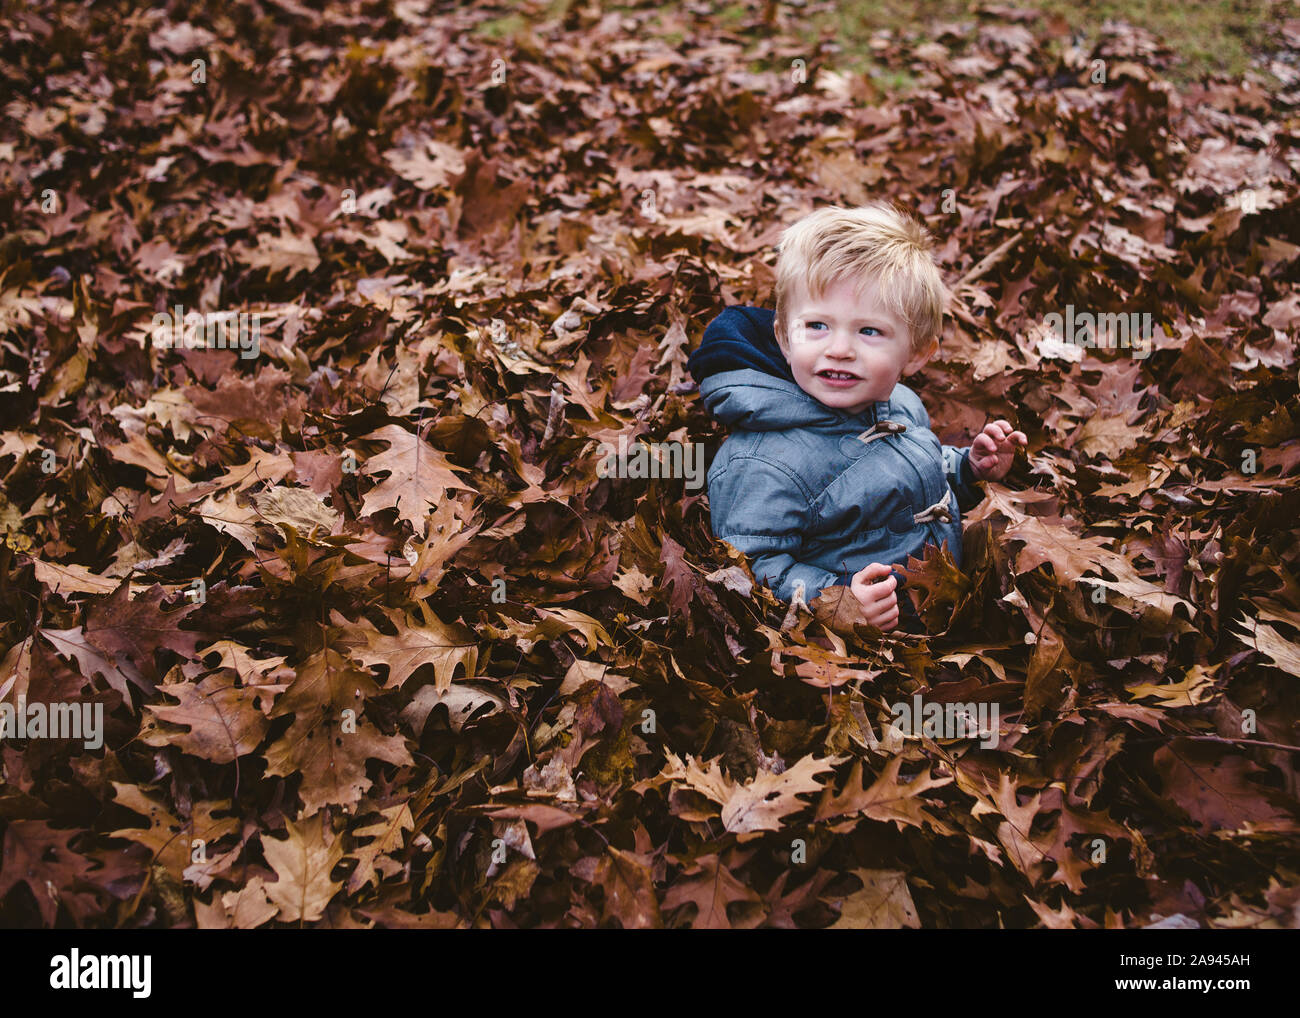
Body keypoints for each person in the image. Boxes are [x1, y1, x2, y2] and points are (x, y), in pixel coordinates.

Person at [687, 200, 1026, 632]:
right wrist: (839, 601)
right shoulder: (761, 462)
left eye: (869, 331)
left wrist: (965, 467)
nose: (840, 349)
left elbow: (907, 472)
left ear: (918, 352)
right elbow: (748, 568)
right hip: (864, 656)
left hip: (945, 602)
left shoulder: (897, 402)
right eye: (817, 326)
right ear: (784, 338)